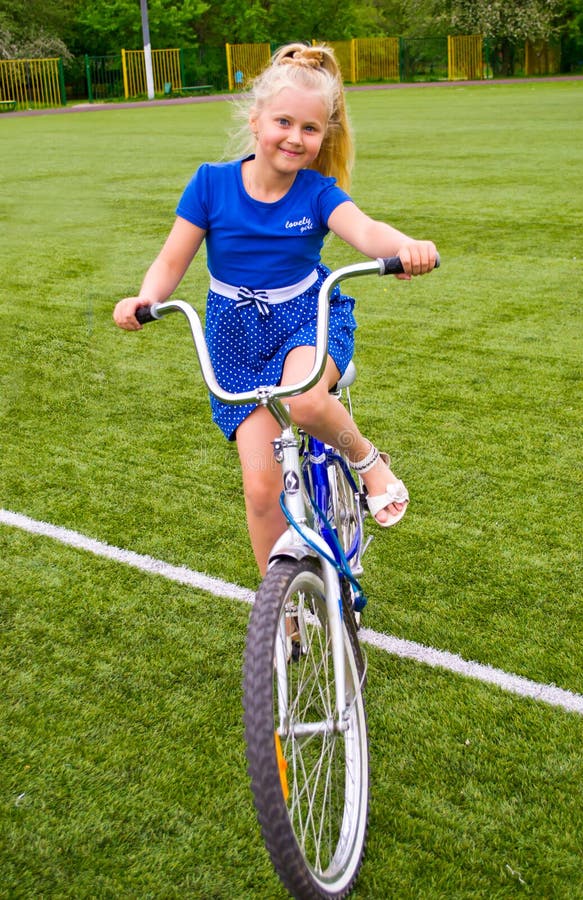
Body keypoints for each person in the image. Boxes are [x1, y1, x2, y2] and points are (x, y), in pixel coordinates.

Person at [114, 43, 438, 576]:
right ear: (255, 118)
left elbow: (366, 230)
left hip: (305, 321)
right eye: (283, 121)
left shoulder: (316, 192)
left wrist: (402, 249)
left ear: (323, 137)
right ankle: (282, 605)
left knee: (307, 403)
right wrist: (145, 300)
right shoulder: (211, 185)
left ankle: (368, 461)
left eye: (310, 129)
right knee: (262, 490)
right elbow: (172, 261)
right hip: (233, 340)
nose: (295, 137)